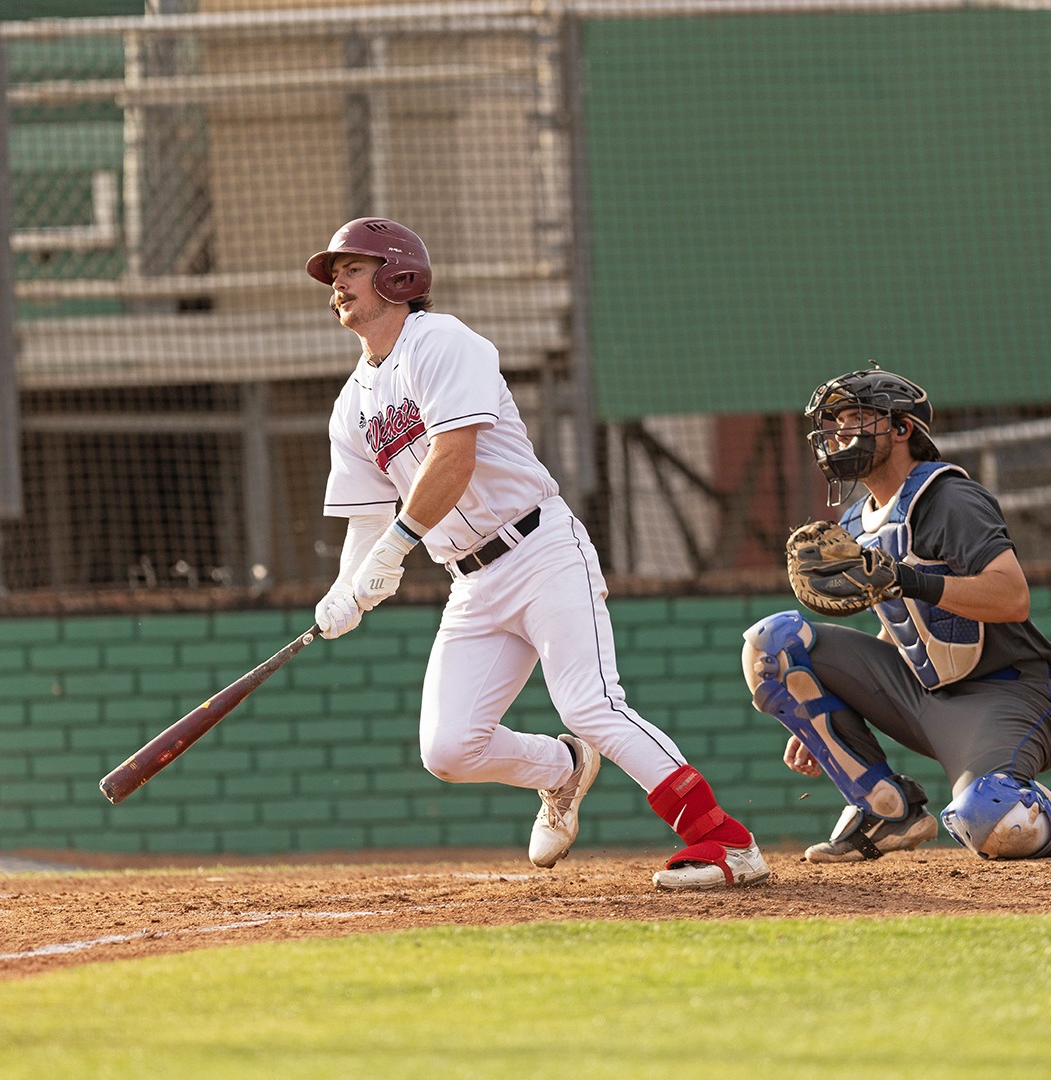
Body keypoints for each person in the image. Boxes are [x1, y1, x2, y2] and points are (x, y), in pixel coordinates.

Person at [305, 218, 768, 891]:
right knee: (449, 748)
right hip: (471, 581)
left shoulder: (443, 341)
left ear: (397, 276)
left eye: (351, 268)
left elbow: (453, 457)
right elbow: (367, 517)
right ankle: (562, 770)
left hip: (539, 547)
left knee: (591, 703)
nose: (337, 285)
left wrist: (398, 549)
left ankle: (724, 841)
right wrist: (347, 588)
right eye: (334, 274)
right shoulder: (352, 404)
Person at [745, 363, 1051, 864]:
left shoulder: (948, 497)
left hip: (1004, 692)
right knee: (773, 645)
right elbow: (902, 622)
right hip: (923, 694)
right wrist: (824, 713)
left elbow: (1012, 597)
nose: (839, 433)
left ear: (901, 429)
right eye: (835, 422)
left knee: (990, 819)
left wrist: (906, 577)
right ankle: (883, 809)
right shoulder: (856, 518)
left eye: (856, 417)